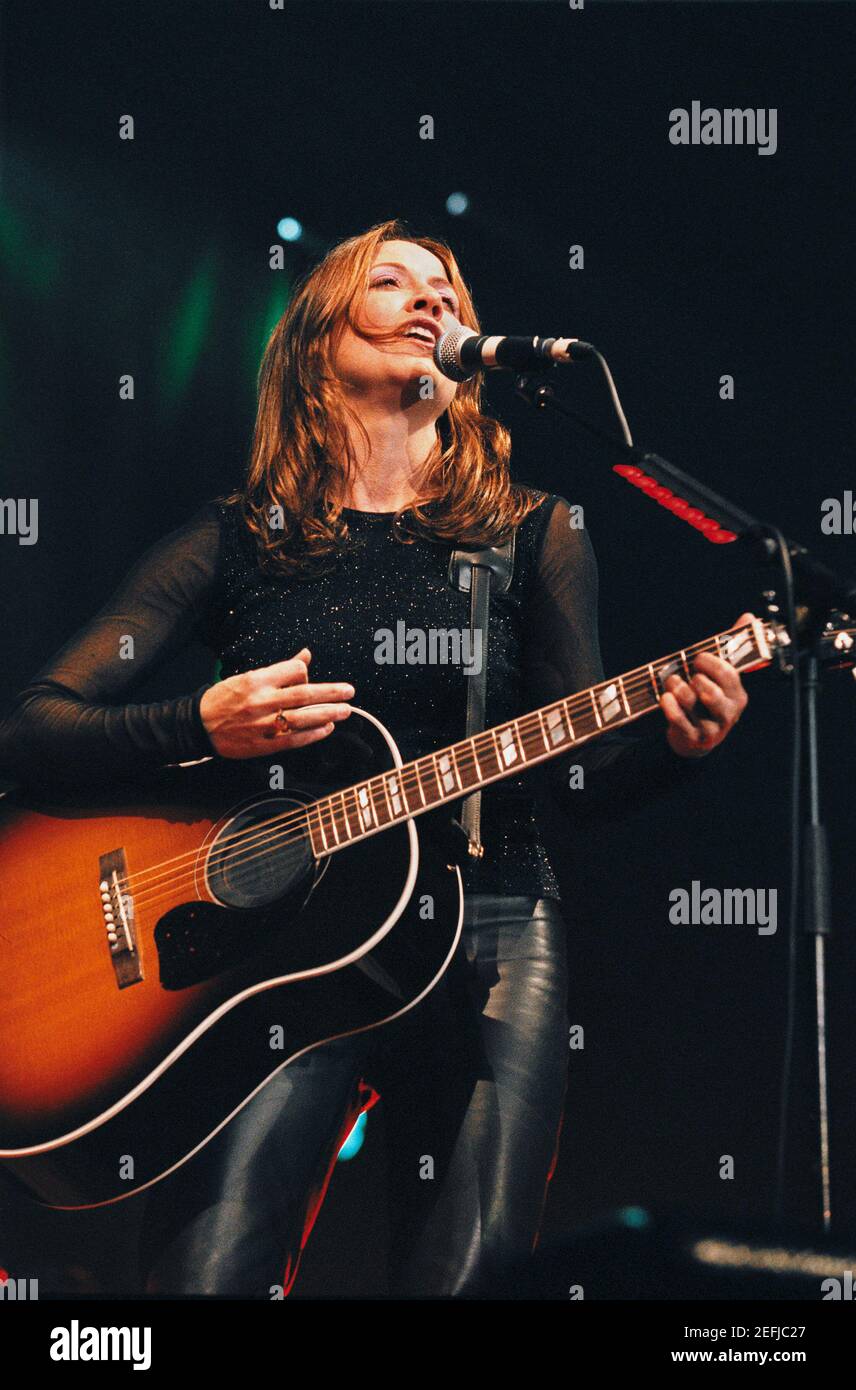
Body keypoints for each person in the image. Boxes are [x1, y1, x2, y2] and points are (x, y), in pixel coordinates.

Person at [0, 219, 749, 1298]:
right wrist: (196, 724)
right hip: (272, 944)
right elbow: (34, 725)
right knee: (208, 1272)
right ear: (316, 343)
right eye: (391, 282)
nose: (431, 302)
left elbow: (572, 780)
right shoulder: (235, 538)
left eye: (448, 292)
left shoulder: (536, 532)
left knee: (470, 1277)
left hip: (493, 923)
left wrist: (681, 747)